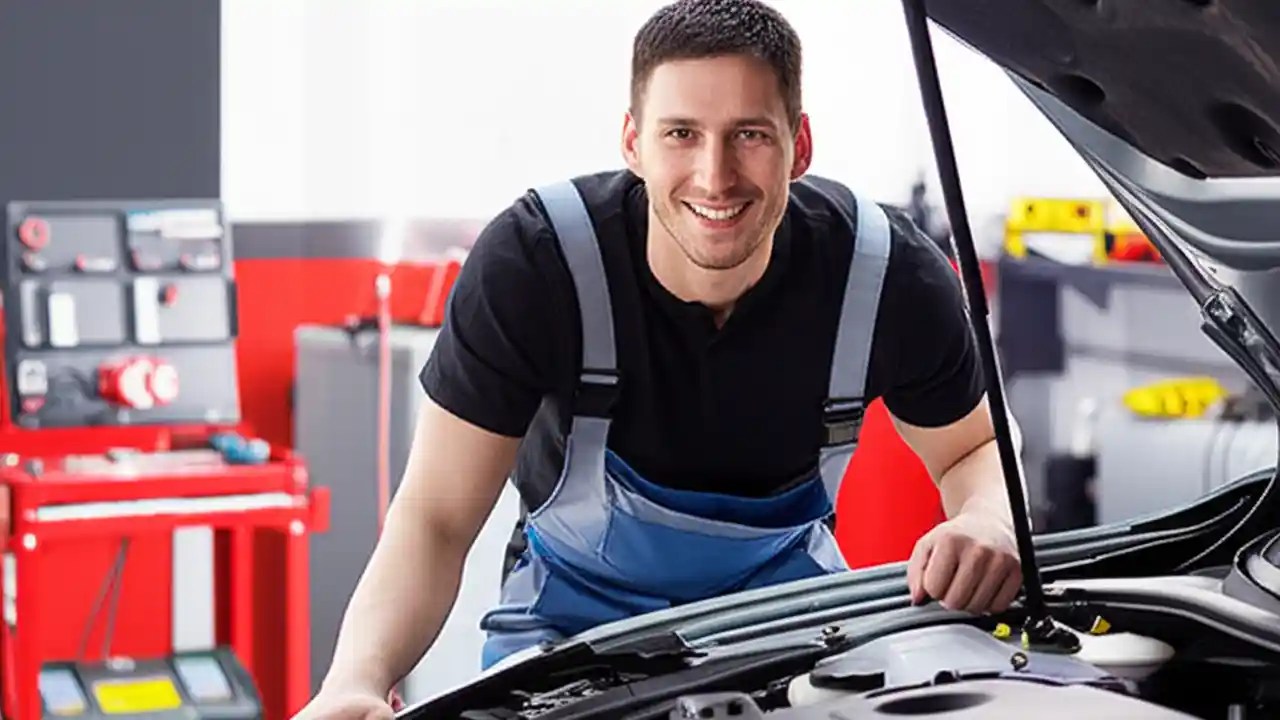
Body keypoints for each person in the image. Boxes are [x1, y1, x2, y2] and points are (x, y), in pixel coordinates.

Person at [295, 0, 1023, 717]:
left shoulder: (884, 273)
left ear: (799, 145)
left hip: (791, 641)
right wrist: (357, 679)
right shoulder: (534, 266)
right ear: (632, 141)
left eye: (749, 135)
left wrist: (990, 518)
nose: (715, 175)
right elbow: (436, 519)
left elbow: (977, 446)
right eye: (681, 133)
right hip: (571, 654)